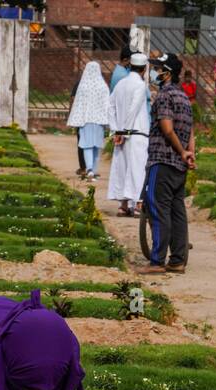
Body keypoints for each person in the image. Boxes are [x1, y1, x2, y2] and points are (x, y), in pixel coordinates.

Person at [141, 53, 195, 275]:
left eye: (158, 69)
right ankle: (178, 260)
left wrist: (182, 151)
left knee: (158, 209)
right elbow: (190, 130)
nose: (154, 72)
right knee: (177, 211)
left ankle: (157, 261)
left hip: (162, 159)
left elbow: (166, 127)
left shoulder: (164, 96)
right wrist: (190, 153)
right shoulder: (183, 97)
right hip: (179, 165)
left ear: (167, 73)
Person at [108, 51, 150, 218]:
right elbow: (133, 109)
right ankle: (138, 204)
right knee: (137, 169)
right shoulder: (140, 86)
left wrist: (116, 129)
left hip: (122, 132)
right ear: (144, 69)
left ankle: (123, 205)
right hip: (136, 132)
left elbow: (110, 107)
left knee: (123, 168)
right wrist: (123, 131)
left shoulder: (120, 84)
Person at [67, 60, 111, 180]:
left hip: (85, 121)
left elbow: (78, 104)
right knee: (97, 146)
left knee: (87, 146)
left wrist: (74, 120)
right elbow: (107, 104)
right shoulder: (103, 86)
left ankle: (89, 169)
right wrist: (109, 122)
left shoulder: (83, 86)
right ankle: (94, 171)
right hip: (99, 121)